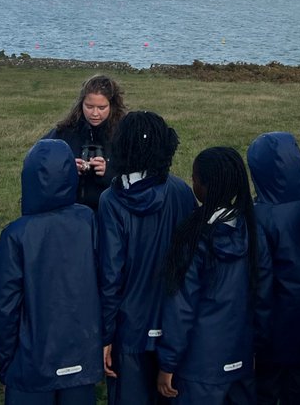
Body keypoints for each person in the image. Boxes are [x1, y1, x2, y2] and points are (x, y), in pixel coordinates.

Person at [157, 146, 273, 405]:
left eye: (195, 178)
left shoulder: (192, 236)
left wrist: (168, 363)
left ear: (206, 186)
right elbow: (263, 299)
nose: (192, 183)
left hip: (199, 366)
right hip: (241, 357)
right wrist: (256, 349)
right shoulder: (253, 232)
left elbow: (181, 308)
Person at [97, 111, 198, 405]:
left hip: (130, 329)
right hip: (176, 322)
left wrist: (105, 334)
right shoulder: (182, 191)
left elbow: (111, 274)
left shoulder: (111, 201)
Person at [0, 138, 104, 405]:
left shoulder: (16, 234)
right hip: (81, 356)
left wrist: (5, 359)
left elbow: (5, 305)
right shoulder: (88, 221)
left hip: (31, 362)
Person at [246, 132, 300, 405]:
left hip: (273, 327)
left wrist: (255, 338)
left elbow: (260, 281)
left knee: (267, 390)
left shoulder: (258, 216)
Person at [44, 74, 128, 210]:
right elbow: (39, 162)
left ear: (112, 106)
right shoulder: (64, 132)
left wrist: (109, 171)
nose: (95, 113)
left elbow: (139, 175)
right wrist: (66, 168)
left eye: (101, 108)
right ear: (81, 104)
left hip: (111, 211)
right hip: (70, 210)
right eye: (89, 106)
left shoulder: (125, 135)